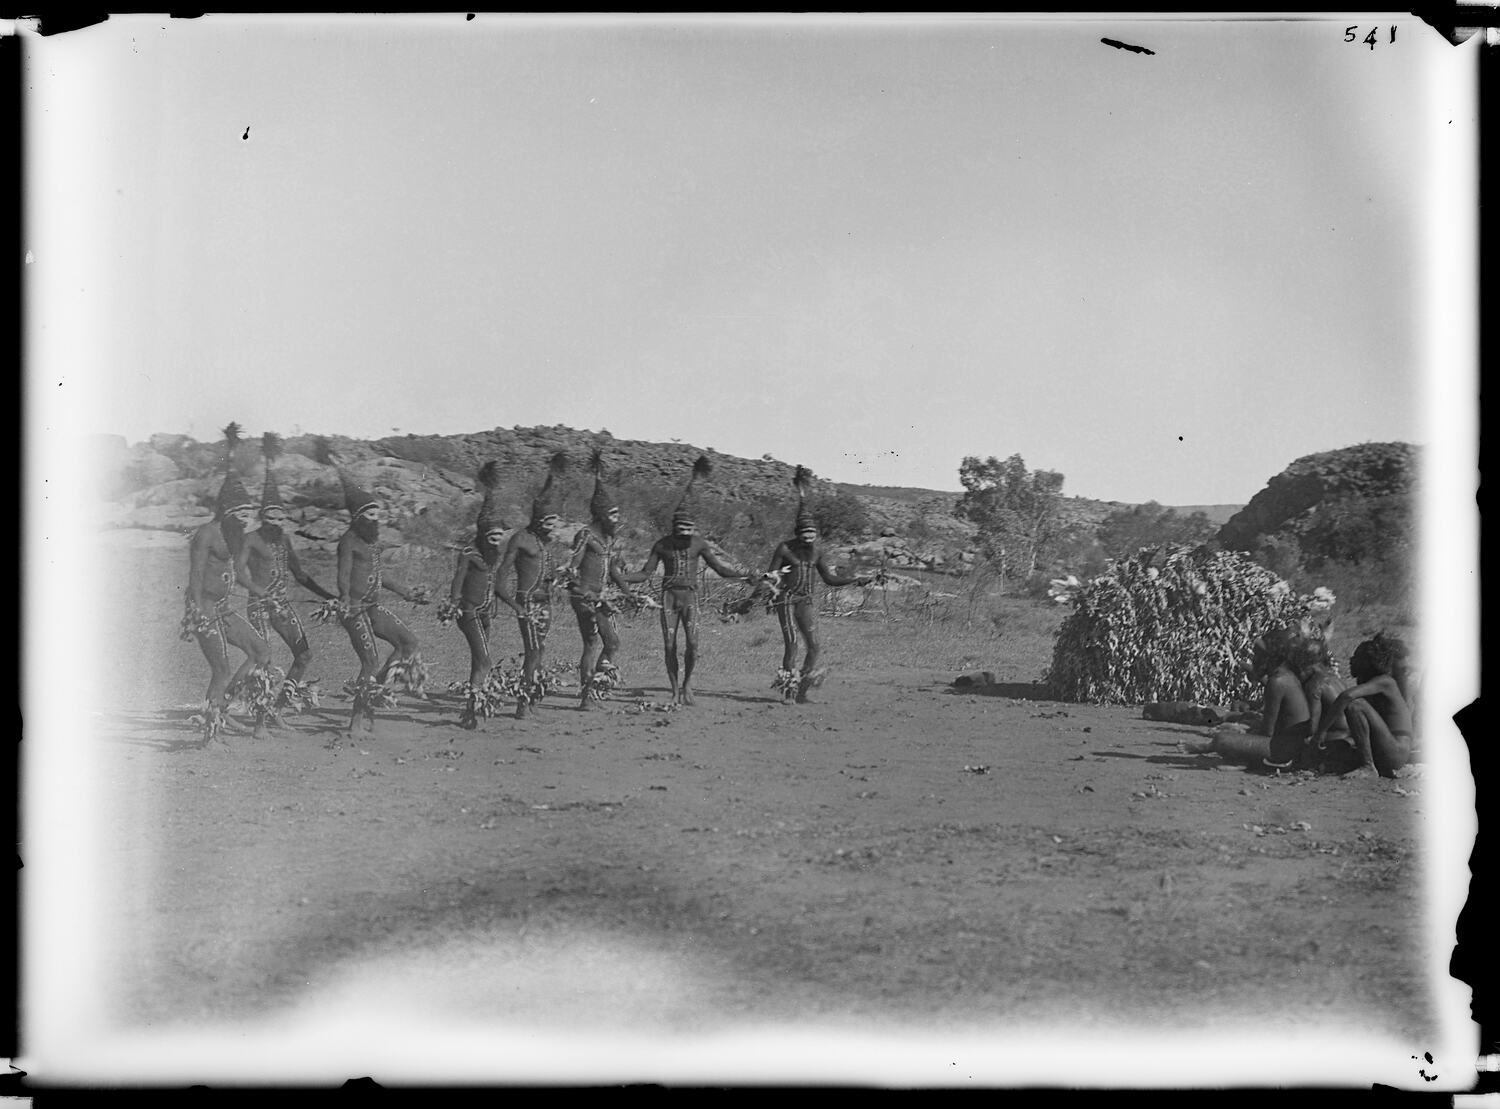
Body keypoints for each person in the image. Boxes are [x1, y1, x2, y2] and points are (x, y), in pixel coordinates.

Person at [313, 438, 430, 739]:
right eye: (372, 515)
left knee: (409, 643)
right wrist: (344, 602)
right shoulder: (349, 541)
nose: (377, 520)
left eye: (378, 514)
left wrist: (407, 592)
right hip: (354, 610)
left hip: (373, 607)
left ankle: (373, 692)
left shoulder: (373, 541)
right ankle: (355, 722)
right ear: (358, 517)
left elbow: (380, 575)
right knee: (370, 661)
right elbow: (343, 577)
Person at [181, 423, 274, 745]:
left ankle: (228, 707)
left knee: (261, 651)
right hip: (205, 606)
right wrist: (197, 612)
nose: (248, 518)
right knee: (220, 668)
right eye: (243, 512)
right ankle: (210, 735)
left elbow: (242, 574)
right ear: (229, 510)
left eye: (250, 512)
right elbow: (194, 575)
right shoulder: (207, 534)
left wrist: (263, 593)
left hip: (222, 606)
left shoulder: (237, 535)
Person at [233, 432, 336, 720]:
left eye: (281, 518)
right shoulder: (251, 539)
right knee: (262, 660)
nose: (278, 523)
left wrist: (331, 598)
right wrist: (260, 592)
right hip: (259, 607)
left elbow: (301, 575)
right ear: (263, 517)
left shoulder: (285, 540)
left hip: (282, 606)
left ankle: (278, 706)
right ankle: (234, 703)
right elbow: (239, 574)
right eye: (272, 518)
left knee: (304, 655)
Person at [636, 455, 752, 706]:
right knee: (669, 645)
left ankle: (687, 684)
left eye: (689, 529)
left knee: (693, 644)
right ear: (674, 528)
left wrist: (748, 576)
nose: (686, 534)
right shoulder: (662, 545)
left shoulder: (699, 544)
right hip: (668, 598)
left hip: (690, 597)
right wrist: (618, 577)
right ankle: (675, 689)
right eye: (682, 530)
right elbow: (645, 573)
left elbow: (721, 570)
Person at [764, 465, 873, 704]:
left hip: (806, 601)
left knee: (814, 646)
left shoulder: (816, 552)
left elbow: (830, 579)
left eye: (812, 535)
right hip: (785, 600)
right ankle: (788, 691)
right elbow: (771, 574)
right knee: (792, 646)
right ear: (797, 534)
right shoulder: (785, 548)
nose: (809, 538)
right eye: (805, 535)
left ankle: (802, 688)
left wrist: (855, 580)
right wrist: (765, 592)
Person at [568, 447, 650, 709]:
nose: (618, 519)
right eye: (613, 515)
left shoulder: (607, 537)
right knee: (591, 643)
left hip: (603, 597)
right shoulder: (586, 535)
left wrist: (628, 593)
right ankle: (586, 697)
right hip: (585, 597)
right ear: (602, 515)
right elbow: (572, 568)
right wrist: (584, 594)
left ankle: (598, 684)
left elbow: (613, 570)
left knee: (612, 642)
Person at [494, 452, 570, 720]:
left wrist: (559, 579)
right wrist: (516, 606)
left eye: (555, 522)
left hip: (544, 602)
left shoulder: (544, 542)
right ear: (538, 520)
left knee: (540, 650)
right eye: (550, 522)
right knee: (534, 650)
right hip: (527, 602)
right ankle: (523, 704)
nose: (554, 527)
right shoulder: (520, 539)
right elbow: (499, 580)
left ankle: (531, 698)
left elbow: (544, 573)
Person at [440, 460, 510, 729]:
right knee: (485, 660)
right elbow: (457, 583)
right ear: (482, 535)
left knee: (478, 660)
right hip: (468, 613)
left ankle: (471, 712)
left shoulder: (494, 554)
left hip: (486, 614)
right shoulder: (469, 553)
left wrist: (513, 606)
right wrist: (453, 607)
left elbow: (498, 584)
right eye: (492, 536)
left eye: (499, 537)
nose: (496, 540)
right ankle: (474, 706)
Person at [1181, 625, 1311, 768]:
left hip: (1286, 752)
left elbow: (1267, 732)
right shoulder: (1286, 675)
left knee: (1222, 740)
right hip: (1292, 746)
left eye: (1258, 656)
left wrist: (1241, 734)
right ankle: (1245, 760)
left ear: (1270, 658)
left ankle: (1245, 761)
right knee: (1234, 734)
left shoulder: (1276, 682)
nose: (1255, 660)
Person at [1311, 632, 1415, 779]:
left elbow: (1346, 697)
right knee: (1336, 747)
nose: (1351, 660)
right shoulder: (1374, 684)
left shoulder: (1385, 682)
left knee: (1355, 705)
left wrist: (1320, 732)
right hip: (1387, 748)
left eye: (1357, 657)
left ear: (1368, 661)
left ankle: (1368, 766)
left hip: (1396, 751)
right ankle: (1366, 763)